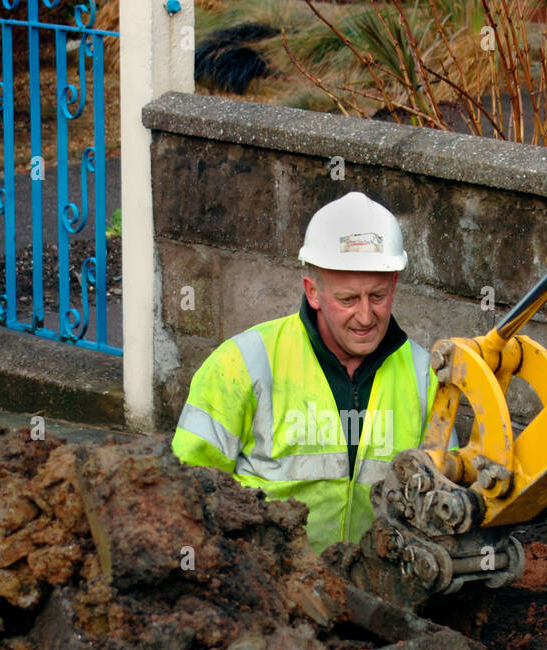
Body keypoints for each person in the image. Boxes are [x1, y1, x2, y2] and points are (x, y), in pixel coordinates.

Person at [172, 192, 441, 552]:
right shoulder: (242, 364)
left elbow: (442, 498)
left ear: (393, 285)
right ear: (312, 292)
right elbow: (184, 485)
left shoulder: (425, 376)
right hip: (268, 590)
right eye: (347, 300)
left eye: (377, 296)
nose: (365, 316)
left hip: (380, 595)